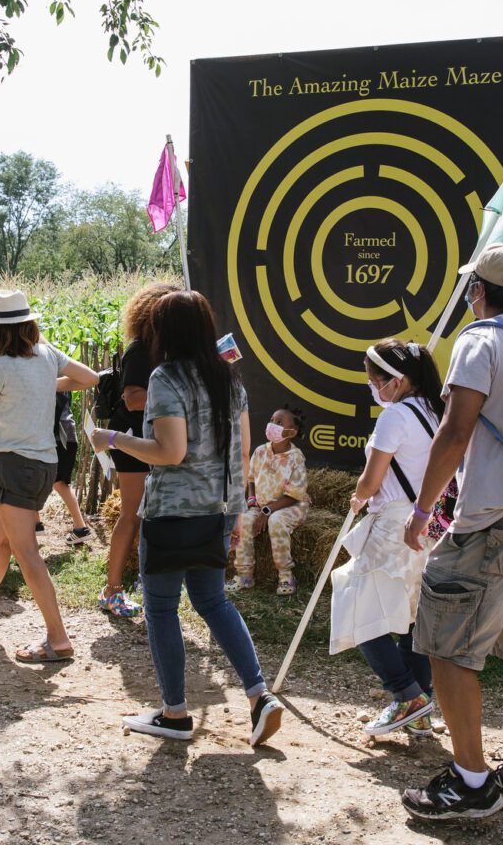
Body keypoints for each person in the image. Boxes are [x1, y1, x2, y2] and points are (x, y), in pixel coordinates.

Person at [399, 243, 503, 821]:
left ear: (479, 292)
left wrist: (423, 511)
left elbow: (454, 431)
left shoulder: (482, 340)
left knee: (447, 643)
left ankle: (471, 780)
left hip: (493, 520)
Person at [92, 289, 285, 747]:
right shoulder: (229, 379)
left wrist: (114, 438)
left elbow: (170, 452)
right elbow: (241, 451)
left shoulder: (166, 378)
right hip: (217, 511)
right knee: (214, 602)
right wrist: (236, 510)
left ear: (164, 333)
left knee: (161, 609)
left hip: (173, 513)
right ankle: (259, 695)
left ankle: (174, 713)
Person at [0, 290, 99, 662]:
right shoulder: (47, 355)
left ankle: (58, 639)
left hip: (14, 465)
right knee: (1, 544)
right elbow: (89, 378)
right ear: (28, 324)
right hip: (45, 465)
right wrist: (45, 385)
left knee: (28, 553)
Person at [329, 339, 444, 738]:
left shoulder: (395, 417)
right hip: (426, 523)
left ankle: (406, 695)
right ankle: (421, 705)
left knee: (358, 608)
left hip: (394, 524)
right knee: (412, 618)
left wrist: (359, 495)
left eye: (375, 381)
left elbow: (372, 478)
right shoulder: (435, 410)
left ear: (395, 382)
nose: (373, 388)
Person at [99, 282, 178, 618]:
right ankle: (112, 589)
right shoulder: (140, 349)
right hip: (131, 440)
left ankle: (151, 583)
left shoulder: (167, 349)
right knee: (132, 514)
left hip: (154, 439)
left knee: (153, 515)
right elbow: (133, 398)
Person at [231, 406, 309, 593]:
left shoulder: (296, 457)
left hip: (291, 505)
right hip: (263, 505)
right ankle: (244, 575)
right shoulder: (260, 452)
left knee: (276, 521)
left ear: (291, 432)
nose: (272, 425)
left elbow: (294, 495)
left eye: (279, 423)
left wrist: (268, 511)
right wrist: (251, 500)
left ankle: (286, 577)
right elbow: (251, 479)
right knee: (244, 521)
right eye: (272, 420)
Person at [52, 390, 93, 547]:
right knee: (56, 482)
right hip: (66, 435)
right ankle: (35, 525)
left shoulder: (49, 373)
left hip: (58, 437)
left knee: (58, 483)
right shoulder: (61, 374)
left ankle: (81, 528)